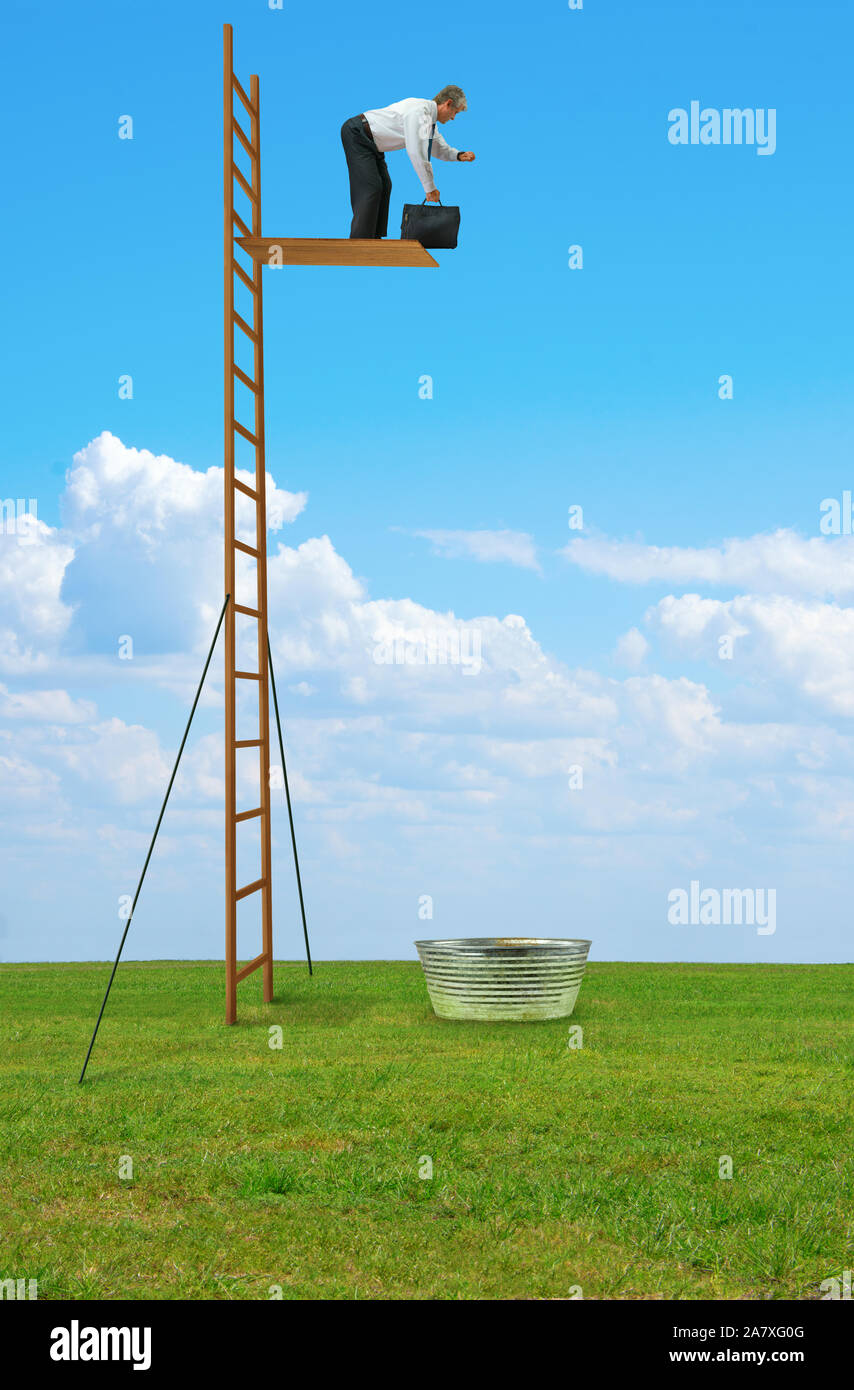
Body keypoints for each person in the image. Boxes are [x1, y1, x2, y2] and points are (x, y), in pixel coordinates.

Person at [340, 87, 475, 239]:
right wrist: (429, 188)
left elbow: (438, 148)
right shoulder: (419, 113)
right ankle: (360, 240)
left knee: (385, 184)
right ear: (448, 103)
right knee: (371, 187)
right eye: (455, 112)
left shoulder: (428, 121)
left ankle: (373, 238)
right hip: (358, 134)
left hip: (373, 143)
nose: (453, 118)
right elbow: (416, 151)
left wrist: (458, 155)